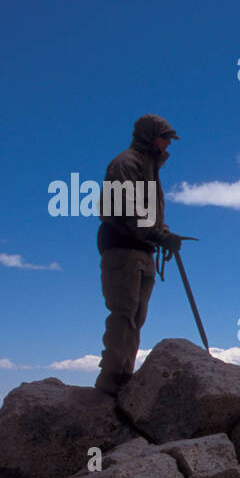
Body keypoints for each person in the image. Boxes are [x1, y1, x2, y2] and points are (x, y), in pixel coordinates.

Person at [94, 114, 184, 396]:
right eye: (164, 136)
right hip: (123, 250)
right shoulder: (126, 164)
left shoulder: (148, 166)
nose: (168, 143)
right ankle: (111, 380)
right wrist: (159, 235)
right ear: (150, 136)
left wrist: (164, 232)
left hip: (141, 251)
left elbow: (149, 214)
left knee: (136, 315)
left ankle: (123, 375)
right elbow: (129, 210)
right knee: (124, 313)